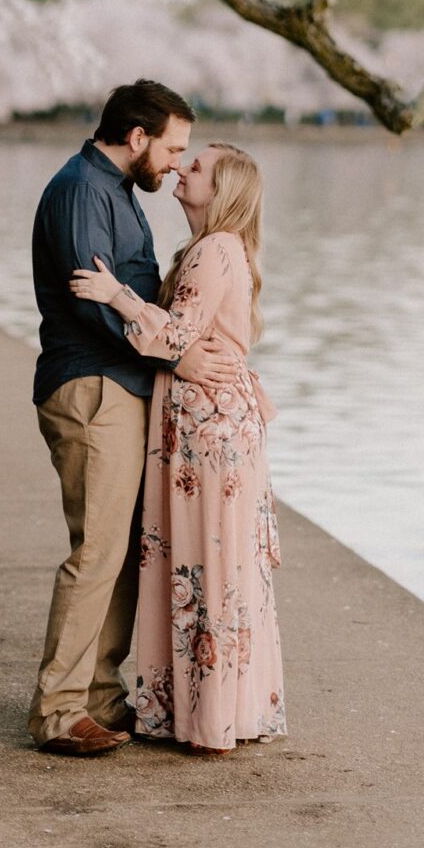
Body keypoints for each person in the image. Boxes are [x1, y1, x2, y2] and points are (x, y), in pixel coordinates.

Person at [27, 81, 238, 758]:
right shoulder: (85, 190)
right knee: (97, 552)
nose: (177, 163)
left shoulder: (114, 190)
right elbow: (93, 307)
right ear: (138, 137)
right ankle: (58, 710)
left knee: (120, 554)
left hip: (121, 384)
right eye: (173, 147)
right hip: (93, 389)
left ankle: (99, 696)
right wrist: (177, 360)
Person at [71, 141, 286, 754]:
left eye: (197, 167)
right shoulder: (215, 250)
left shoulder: (213, 250)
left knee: (203, 561)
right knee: (217, 562)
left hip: (207, 434)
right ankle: (215, 709)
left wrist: (116, 295)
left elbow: (174, 337)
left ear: (221, 191)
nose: (182, 168)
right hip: (215, 426)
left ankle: (206, 716)